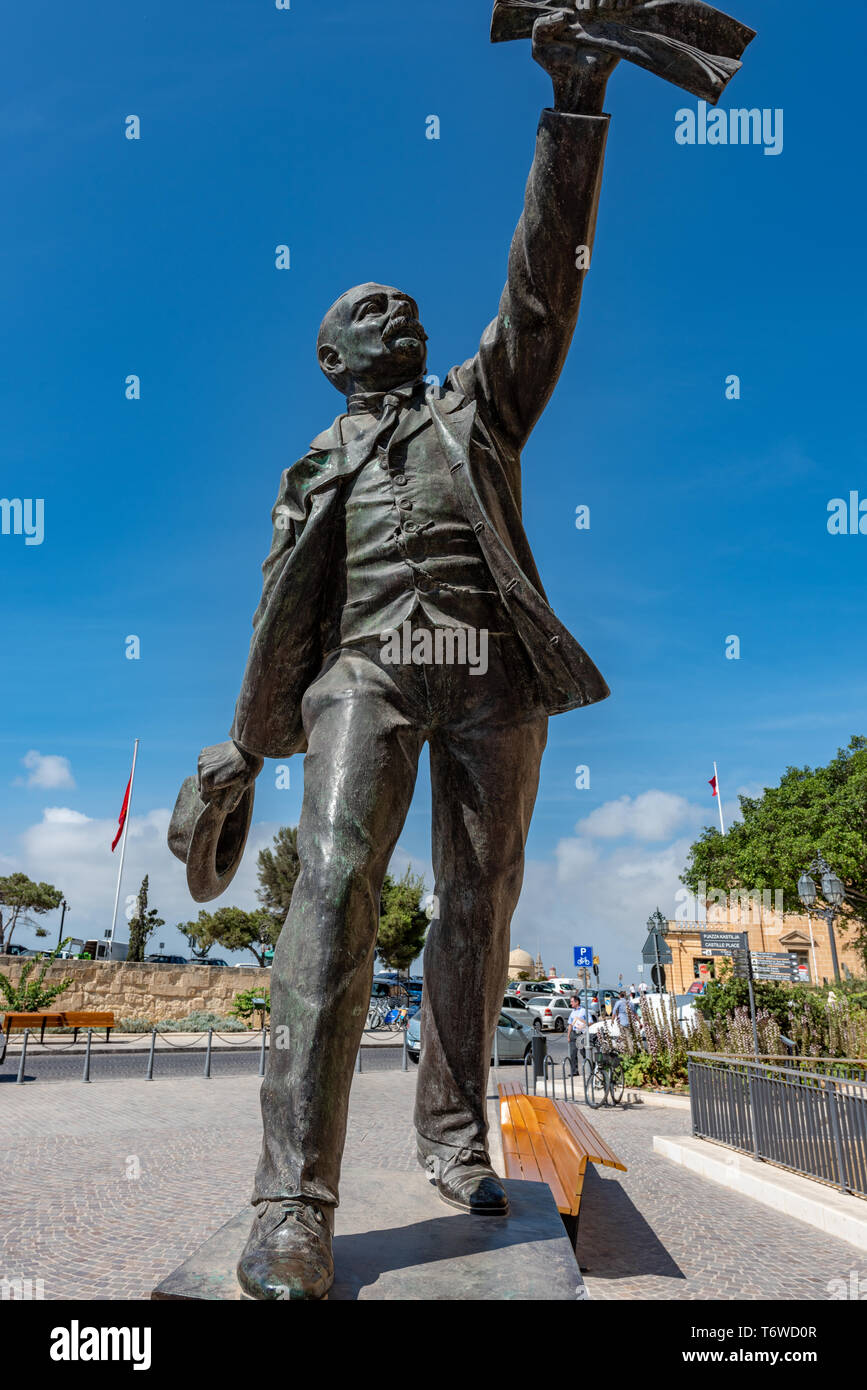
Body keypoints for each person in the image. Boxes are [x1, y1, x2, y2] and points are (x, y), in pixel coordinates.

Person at [194, 14, 621, 1302]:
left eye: (407, 302)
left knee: (478, 907)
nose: (403, 308)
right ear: (333, 359)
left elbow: (543, 287)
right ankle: (290, 1207)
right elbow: (280, 613)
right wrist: (237, 736)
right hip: (366, 672)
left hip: (492, 670)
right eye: (371, 308)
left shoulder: (480, 404)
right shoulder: (312, 465)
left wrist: (576, 105)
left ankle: (450, 1135)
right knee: (330, 885)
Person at [567, 994, 589, 1076]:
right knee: (572, 1053)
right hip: (573, 1033)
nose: (571, 1003)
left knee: (583, 1052)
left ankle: (591, 1067)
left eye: (572, 1002)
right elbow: (570, 1024)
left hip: (581, 1034)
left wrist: (583, 1025)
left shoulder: (584, 1011)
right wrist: (568, 1035)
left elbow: (590, 1022)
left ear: (577, 1002)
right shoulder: (572, 1012)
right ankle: (574, 1071)